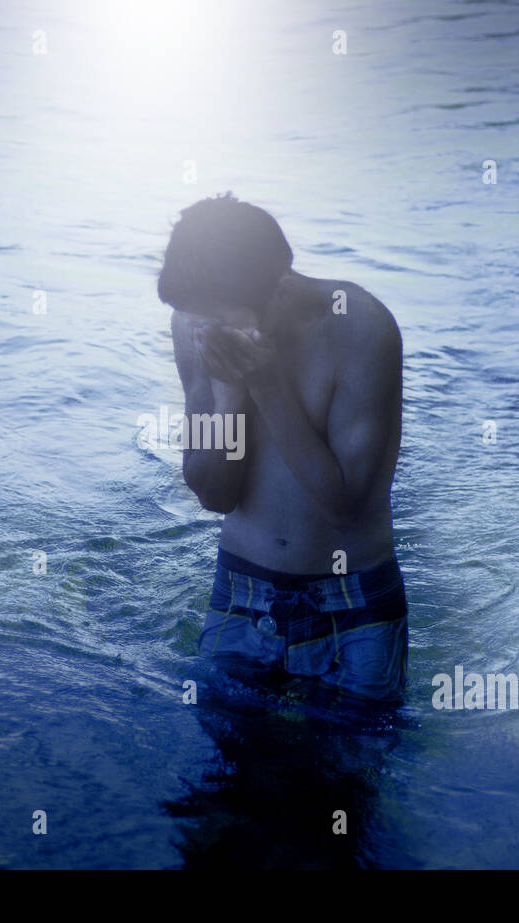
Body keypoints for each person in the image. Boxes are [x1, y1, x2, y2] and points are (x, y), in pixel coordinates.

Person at [159, 192, 408, 702]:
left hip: (354, 600)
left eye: (220, 321)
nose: (205, 331)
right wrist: (230, 397)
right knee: (224, 776)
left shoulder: (359, 326)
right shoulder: (193, 324)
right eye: (195, 319)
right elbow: (213, 495)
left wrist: (268, 386)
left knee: (346, 776)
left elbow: (345, 507)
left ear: (277, 288)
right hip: (240, 590)